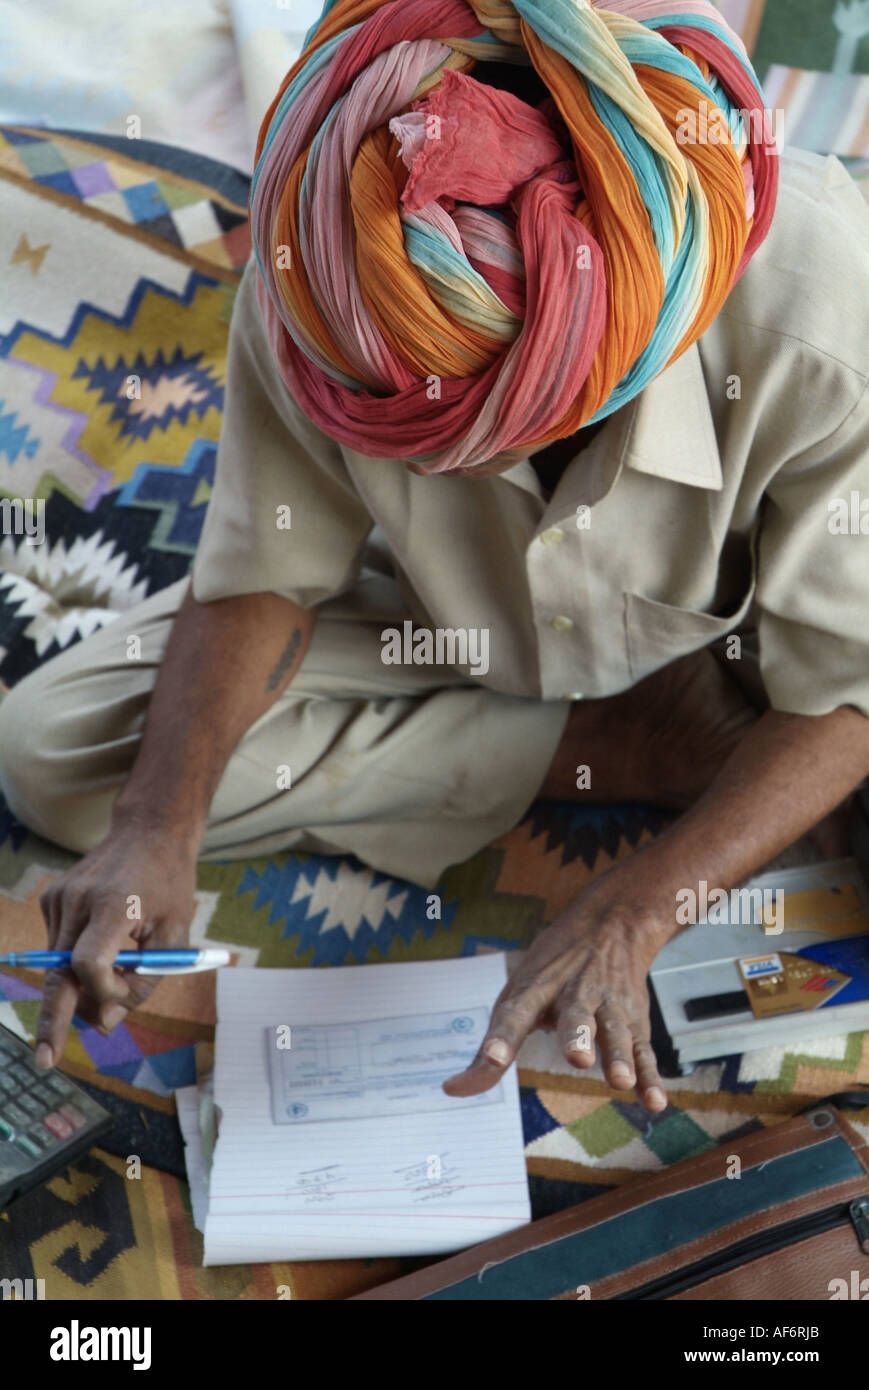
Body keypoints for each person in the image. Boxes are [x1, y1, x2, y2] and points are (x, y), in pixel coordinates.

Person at [2, 0, 868, 1115]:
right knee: (55, 758)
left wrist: (637, 905)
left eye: (478, 436)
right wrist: (152, 833)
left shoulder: (818, 317)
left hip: (754, 630)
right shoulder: (324, 261)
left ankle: (693, 737)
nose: (441, 473)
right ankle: (616, 739)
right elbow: (269, 569)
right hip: (465, 626)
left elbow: (847, 692)